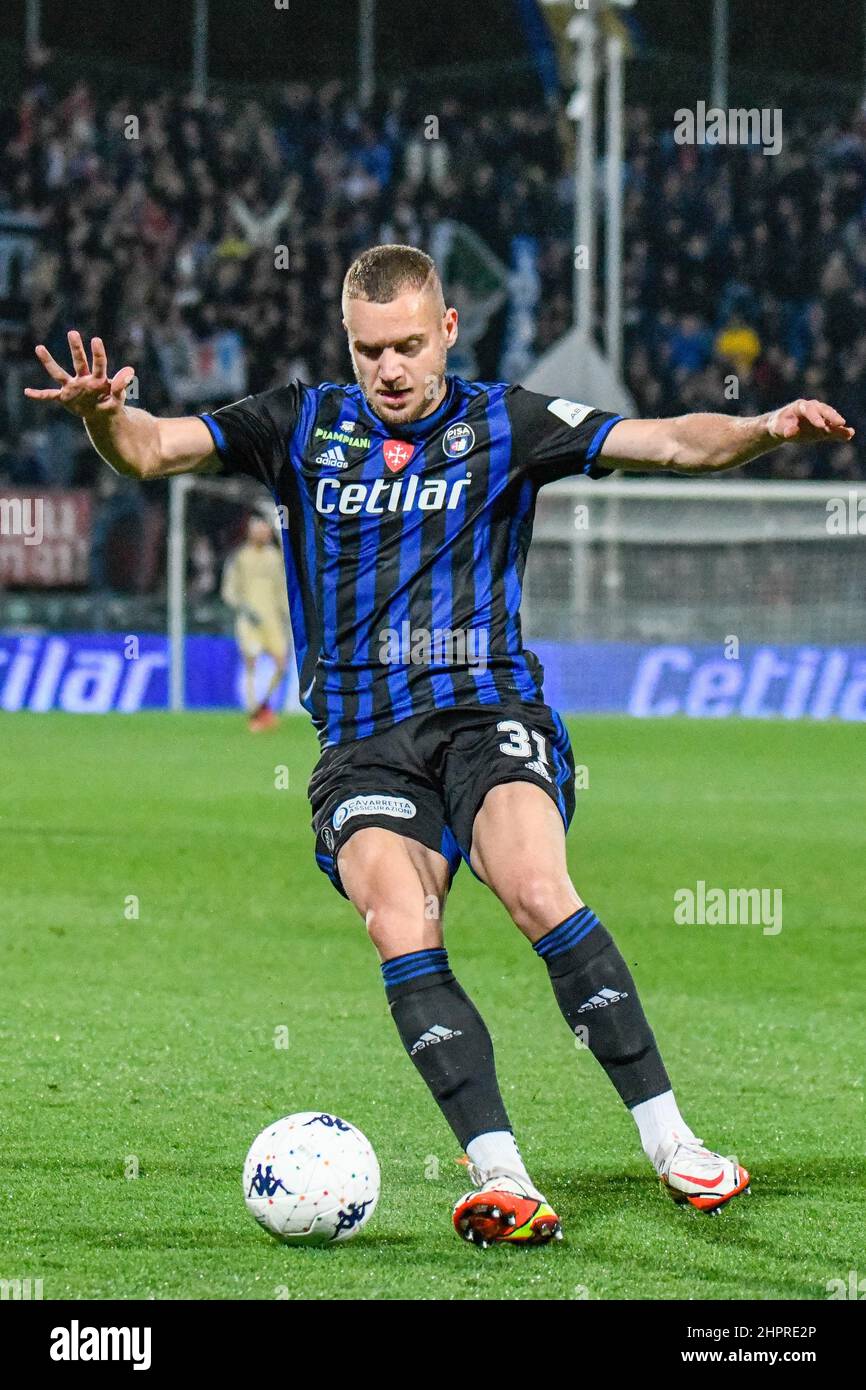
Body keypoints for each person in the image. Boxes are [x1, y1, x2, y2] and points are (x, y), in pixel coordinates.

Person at [25, 243, 854, 1247]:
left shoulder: (504, 422)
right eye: (371, 348)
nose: (389, 368)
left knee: (535, 887)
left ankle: (671, 1142)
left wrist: (761, 428)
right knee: (398, 920)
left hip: (485, 715)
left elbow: (670, 442)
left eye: (409, 345)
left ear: (446, 330)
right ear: (348, 341)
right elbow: (153, 449)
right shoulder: (301, 422)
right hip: (364, 743)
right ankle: (499, 1173)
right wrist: (104, 415)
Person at [221, 514, 290, 730]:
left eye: (265, 529)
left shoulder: (275, 557)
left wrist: (287, 614)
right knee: (251, 662)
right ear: (251, 533)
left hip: (273, 619)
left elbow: (282, 589)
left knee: (281, 664)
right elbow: (229, 589)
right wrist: (242, 608)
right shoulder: (240, 557)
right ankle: (253, 712)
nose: (263, 533)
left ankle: (262, 705)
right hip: (249, 619)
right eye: (258, 530)